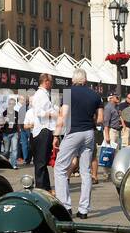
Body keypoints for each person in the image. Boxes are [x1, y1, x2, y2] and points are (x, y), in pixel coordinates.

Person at [54, 70, 102, 219]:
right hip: (89, 133)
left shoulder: (68, 91)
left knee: (60, 168)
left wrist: (56, 134)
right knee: (85, 172)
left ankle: (66, 207)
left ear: (73, 79)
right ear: (85, 80)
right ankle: (83, 210)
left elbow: (63, 115)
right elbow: (100, 119)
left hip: (73, 132)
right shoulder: (95, 95)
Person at [25, 73, 58, 190]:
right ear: (46, 82)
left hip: (46, 129)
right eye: (51, 82)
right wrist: (51, 114)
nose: (52, 84)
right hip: (42, 130)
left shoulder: (44, 94)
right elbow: (38, 112)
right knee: (41, 162)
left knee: (43, 161)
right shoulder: (40, 94)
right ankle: (40, 187)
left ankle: (46, 187)